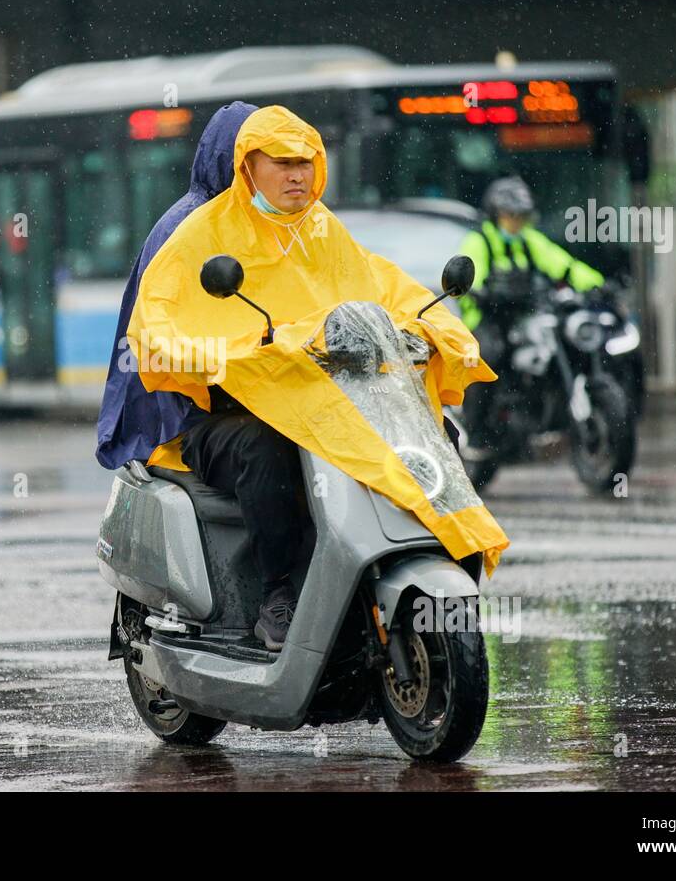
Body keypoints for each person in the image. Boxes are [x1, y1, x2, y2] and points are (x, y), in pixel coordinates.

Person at [127, 105, 500, 651]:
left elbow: (389, 290)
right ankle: (279, 594)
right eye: (281, 162)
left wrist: (437, 324)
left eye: (306, 161)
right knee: (268, 449)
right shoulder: (201, 235)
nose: (298, 174)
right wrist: (224, 356)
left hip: (330, 403)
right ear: (247, 166)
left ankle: (432, 559)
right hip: (231, 416)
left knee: (437, 435)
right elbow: (155, 328)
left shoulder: (324, 230)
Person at [95, 101, 258, 471]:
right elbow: (167, 340)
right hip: (180, 418)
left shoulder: (240, 223)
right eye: (255, 161)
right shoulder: (189, 227)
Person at [458, 176, 606, 450]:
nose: (515, 222)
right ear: (495, 215)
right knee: (487, 359)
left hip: (525, 316)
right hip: (489, 318)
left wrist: (597, 283)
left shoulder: (531, 241)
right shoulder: (479, 241)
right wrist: (478, 291)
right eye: (509, 215)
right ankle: (475, 432)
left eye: (520, 216)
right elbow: (471, 272)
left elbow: (564, 265)